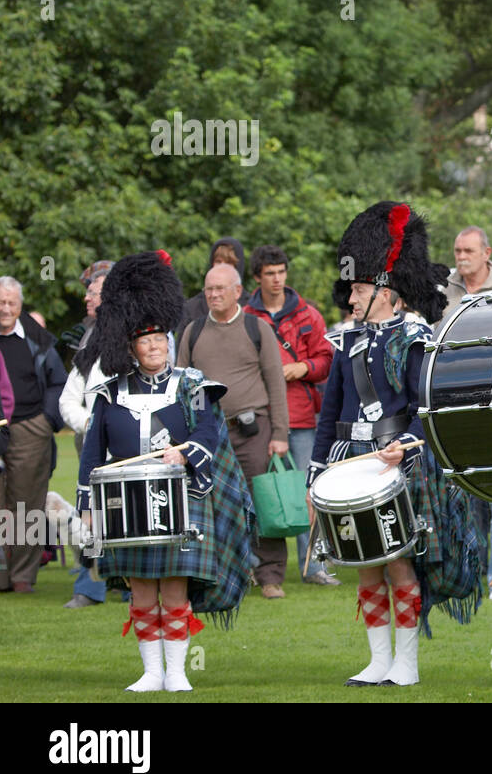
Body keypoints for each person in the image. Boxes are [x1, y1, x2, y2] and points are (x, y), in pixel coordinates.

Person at [311, 201, 480, 687]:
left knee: (399, 564)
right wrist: (317, 471)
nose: (352, 297)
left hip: (397, 461)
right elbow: (329, 414)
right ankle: (377, 660)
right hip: (349, 460)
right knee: (365, 567)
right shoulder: (344, 341)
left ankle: (405, 665)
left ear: (386, 291)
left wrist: (406, 444)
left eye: (360, 288)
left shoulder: (414, 339)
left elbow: (426, 407)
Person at [76, 251, 255, 691]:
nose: (154, 347)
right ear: (131, 346)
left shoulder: (191, 384)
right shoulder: (109, 393)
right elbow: (91, 452)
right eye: (145, 341)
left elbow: (210, 431)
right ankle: (150, 672)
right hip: (124, 505)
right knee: (140, 591)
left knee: (174, 590)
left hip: (181, 499)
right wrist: (86, 508)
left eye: (160, 340)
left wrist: (186, 452)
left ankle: (176, 672)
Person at [177, 262, 291, 597]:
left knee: (263, 502)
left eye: (219, 289)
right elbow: (181, 385)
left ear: (237, 291)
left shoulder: (258, 328)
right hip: (208, 433)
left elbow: (275, 383)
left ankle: (269, 575)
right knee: (212, 501)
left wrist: (280, 434)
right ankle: (224, 571)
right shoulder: (193, 331)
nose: (212, 295)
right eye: (208, 289)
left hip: (254, 429)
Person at [243, 244, 338, 587]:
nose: (277, 279)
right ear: (257, 277)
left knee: (308, 492)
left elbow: (328, 360)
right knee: (257, 494)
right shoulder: (246, 318)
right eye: (269, 273)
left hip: (300, 416)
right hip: (257, 416)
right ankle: (256, 566)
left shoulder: (308, 314)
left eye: (281, 271)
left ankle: (313, 566)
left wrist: (303, 367)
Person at [0, 275, 67, 594]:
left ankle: (22, 577)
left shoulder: (38, 340)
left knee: (27, 505)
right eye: (0, 302)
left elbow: (58, 381)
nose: (5, 308)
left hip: (29, 427)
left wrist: (47, 420)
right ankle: (1, 575)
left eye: (12, 302)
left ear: (21, 306)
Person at [59, 261, 115, 608]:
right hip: (93, 449)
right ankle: (88, 586)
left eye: (92, 292)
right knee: (89, 513)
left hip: (132, 450)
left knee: (126, 513)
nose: (86, 298)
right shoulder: (88, 339)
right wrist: (91, 425)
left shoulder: (139, 338)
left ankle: (128, 585)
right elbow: (68, 398)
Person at [178, 238, 251, 336]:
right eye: (218, 261)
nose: (222, 267)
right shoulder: (193, 308)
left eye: (229, 263)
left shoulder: (251, 306)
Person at [444, 226, 492, 311]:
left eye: (468, 251)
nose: (461, 257)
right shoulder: (445, 290)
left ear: (486, 253)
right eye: (458, 251)